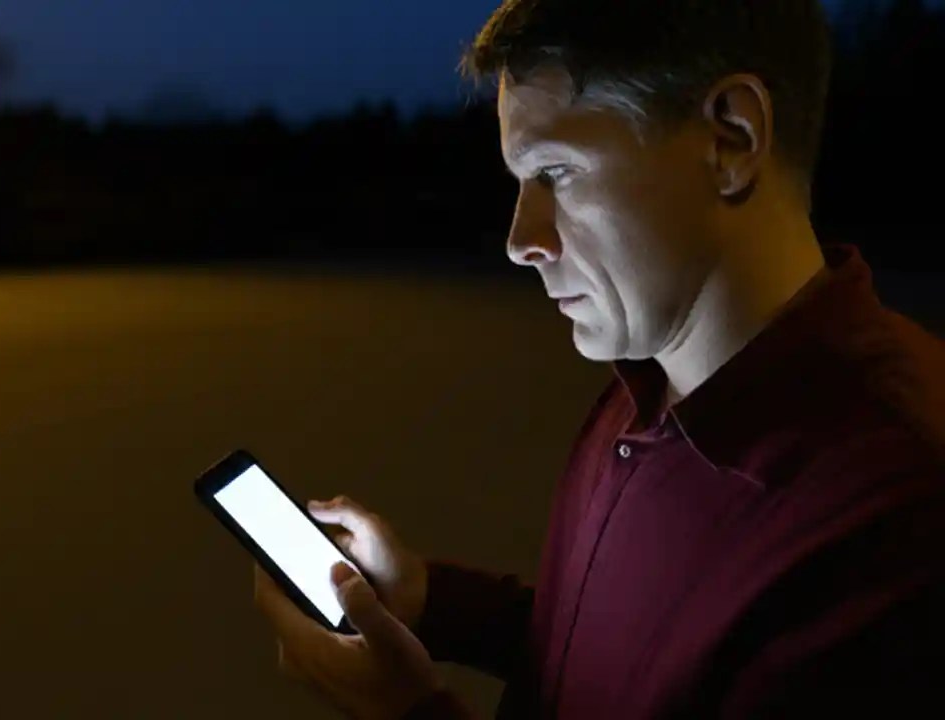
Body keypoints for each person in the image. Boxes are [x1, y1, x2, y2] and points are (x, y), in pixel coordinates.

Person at [252, 1, 945, 718]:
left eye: (556, 172)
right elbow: (630, 668)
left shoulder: (896, 518)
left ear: (732, 138)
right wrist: (431, 599)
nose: (522, 240)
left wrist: (405, 711)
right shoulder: (643, 388)